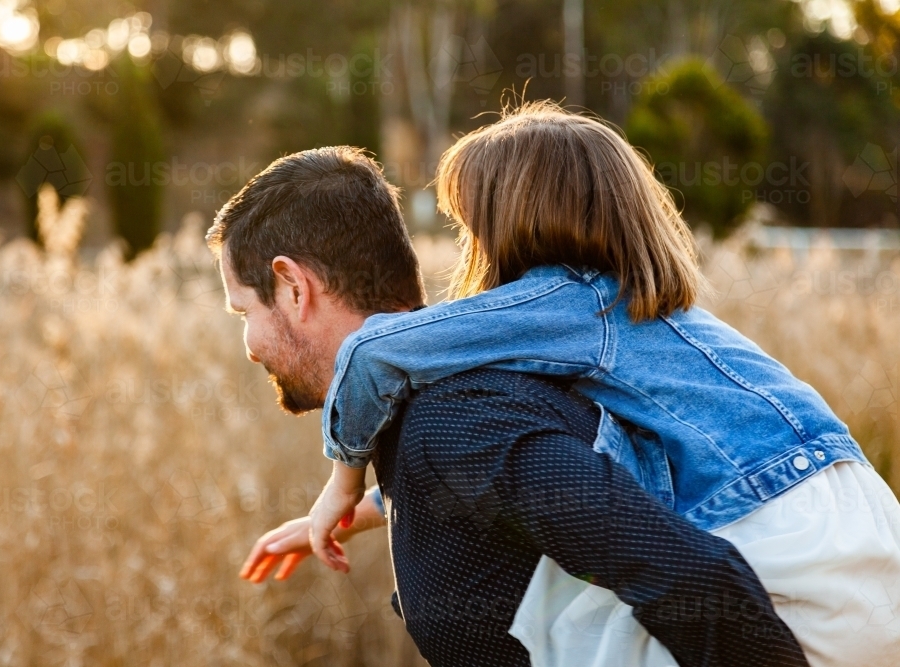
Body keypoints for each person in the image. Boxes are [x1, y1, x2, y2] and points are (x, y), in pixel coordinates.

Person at [308, 102, 900, 666]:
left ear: (515, 221)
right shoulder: (647, 317)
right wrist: (370, 508)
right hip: (866, 552)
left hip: (792, 568)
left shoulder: (570, 300)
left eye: (470, 225)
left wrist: (341, 480)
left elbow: (369, 351)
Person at [210, 145, 808, 666]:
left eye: (244, 312)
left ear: (292, 286)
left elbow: (700, 583)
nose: (248, 344)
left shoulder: (454, 421)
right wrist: (376, 505)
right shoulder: (455, 416)